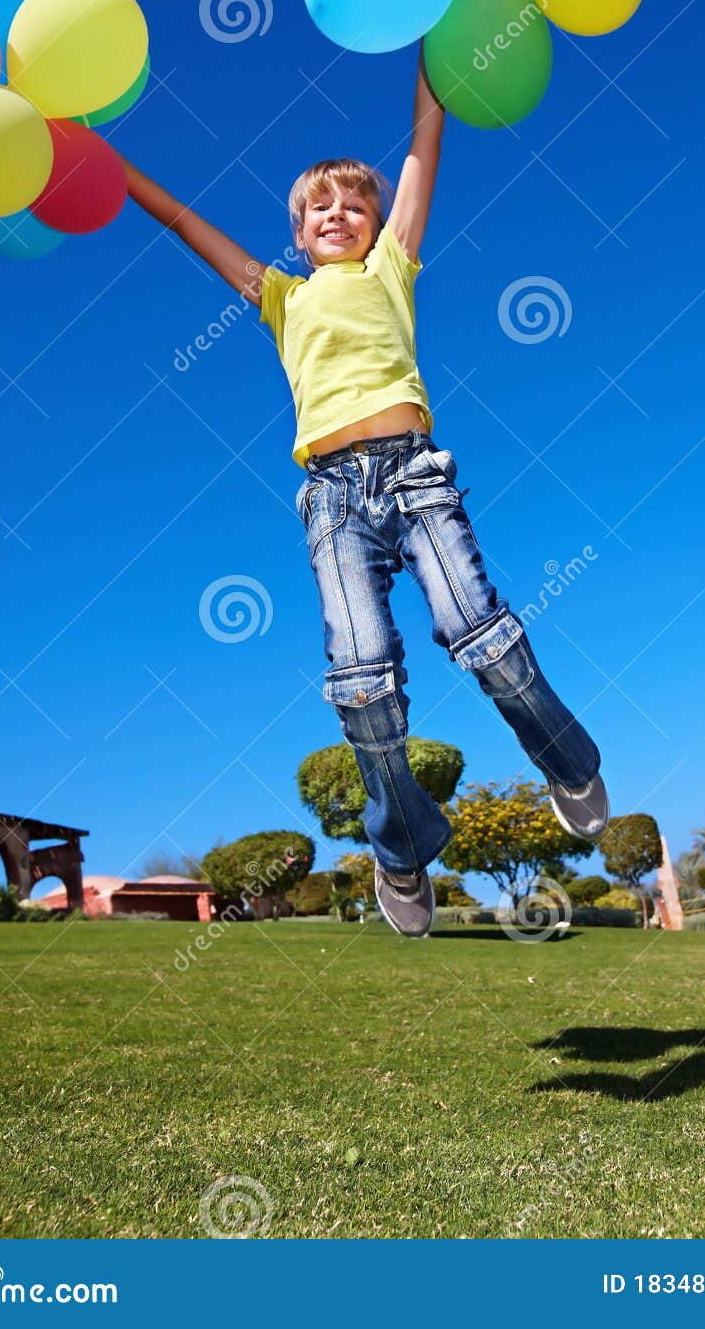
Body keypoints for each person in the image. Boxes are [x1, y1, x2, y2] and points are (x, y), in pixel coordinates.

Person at [123, 51, 606, 939]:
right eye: (318, 208)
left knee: (482, 634)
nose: (337, 213)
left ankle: (570, 764)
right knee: (361, 676)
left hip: (416, 478)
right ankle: (402, 846)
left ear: (378, 222)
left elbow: (427, 144)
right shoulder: (279, 298)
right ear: (298, 234)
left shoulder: (391, 269)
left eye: (355, 202)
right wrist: (112, 167)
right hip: (333, 500)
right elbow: (186, 224)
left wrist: (437, 37)